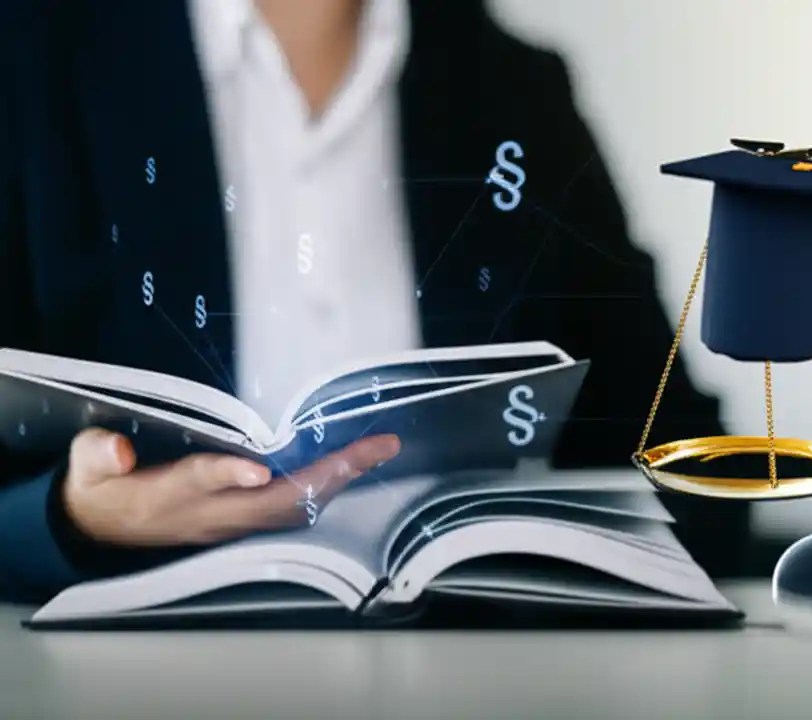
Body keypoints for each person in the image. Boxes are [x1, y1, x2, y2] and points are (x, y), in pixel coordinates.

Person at [0, 0, 744, 602]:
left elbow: (684, 462)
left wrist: (526, 545)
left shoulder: (516, 94)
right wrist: (66, 517)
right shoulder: (34, 63)